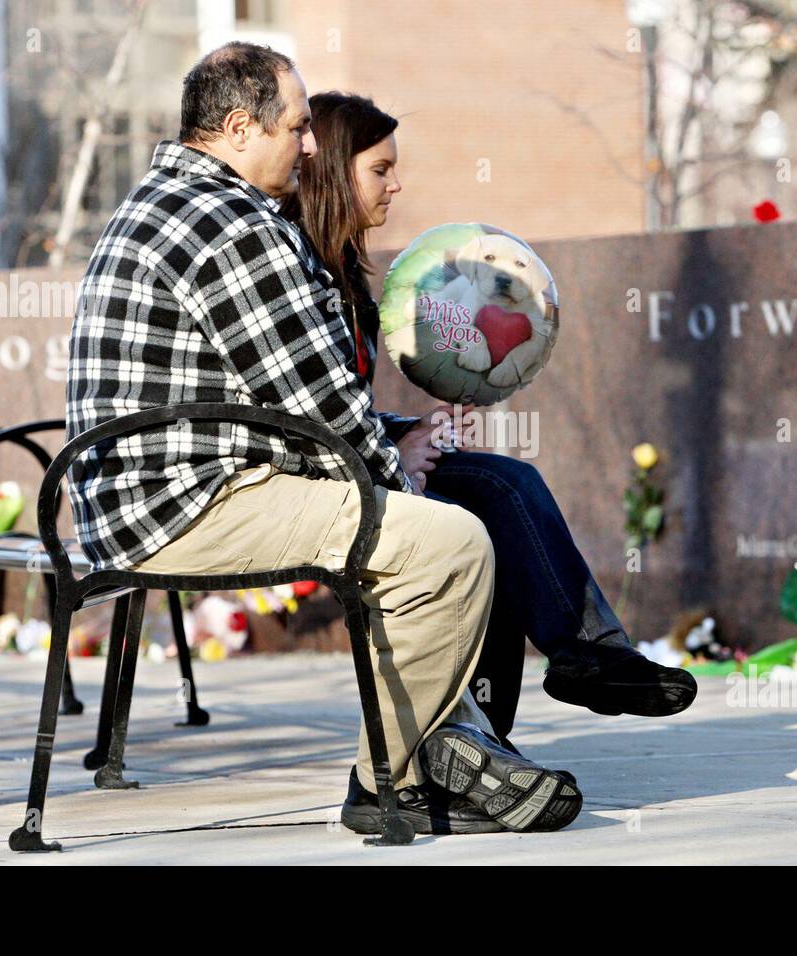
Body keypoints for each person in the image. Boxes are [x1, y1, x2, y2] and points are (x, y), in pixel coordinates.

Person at [65, 42, 581, 836]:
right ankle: (397, 777)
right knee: (448, 543)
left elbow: (281, 401)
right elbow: (318, 414)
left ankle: (449, 754)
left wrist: (391, 453)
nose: (311, 147)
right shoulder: (231, 222)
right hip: (188, 505)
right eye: (299, 127)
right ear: (239, 127)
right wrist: (397, 476)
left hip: (149, 495)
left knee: (451, 515)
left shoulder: (163, 200)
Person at [279, 93, 698, 756]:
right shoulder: (290, 266)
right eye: (380, 169)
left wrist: (404, 428)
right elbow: (291, 419)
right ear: (333, 171)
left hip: (347, 459)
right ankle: (482, 734)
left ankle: (583, 657)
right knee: (473, 525)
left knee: (507, 483)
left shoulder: (342, 273)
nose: (397, 183)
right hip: (296, 487)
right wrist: (394, 447)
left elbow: (332, 406)